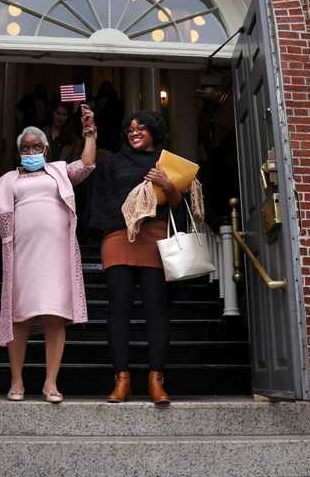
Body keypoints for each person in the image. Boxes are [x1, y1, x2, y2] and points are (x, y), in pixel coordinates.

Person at [0, 106, 97, 403]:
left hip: (56, 256)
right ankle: (17, 382)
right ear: (19, 151)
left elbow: (87, 165)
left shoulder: (59, 171)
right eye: (25, 147)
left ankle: (50, 383)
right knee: (19, 318)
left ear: (46, 148)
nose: (31, 150)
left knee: (55, 316)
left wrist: (90, 133)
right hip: (22, 256)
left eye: (36, 146)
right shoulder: (7, 181)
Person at [88, 111, 181, 405]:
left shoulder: (166, 163)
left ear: (154, 131)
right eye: (130, 129)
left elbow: (179, 205)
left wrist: (167, 185)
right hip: (118, 238)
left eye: (141, 127)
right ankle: (122, 380)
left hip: (155, 238)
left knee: (157, 311)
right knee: (119, 311)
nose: (134, 132)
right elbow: (100, 199)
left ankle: (156, 380)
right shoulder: (112, 163)